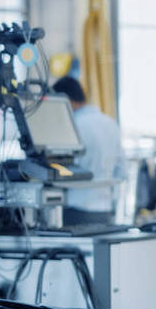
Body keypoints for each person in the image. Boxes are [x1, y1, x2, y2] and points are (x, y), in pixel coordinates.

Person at [51, 76, 125, 225]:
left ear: (66, 100)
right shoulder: (110, 123)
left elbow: (60, 167)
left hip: (77, 208)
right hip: (106, 209)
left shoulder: (72, 125)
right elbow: (122, 169)